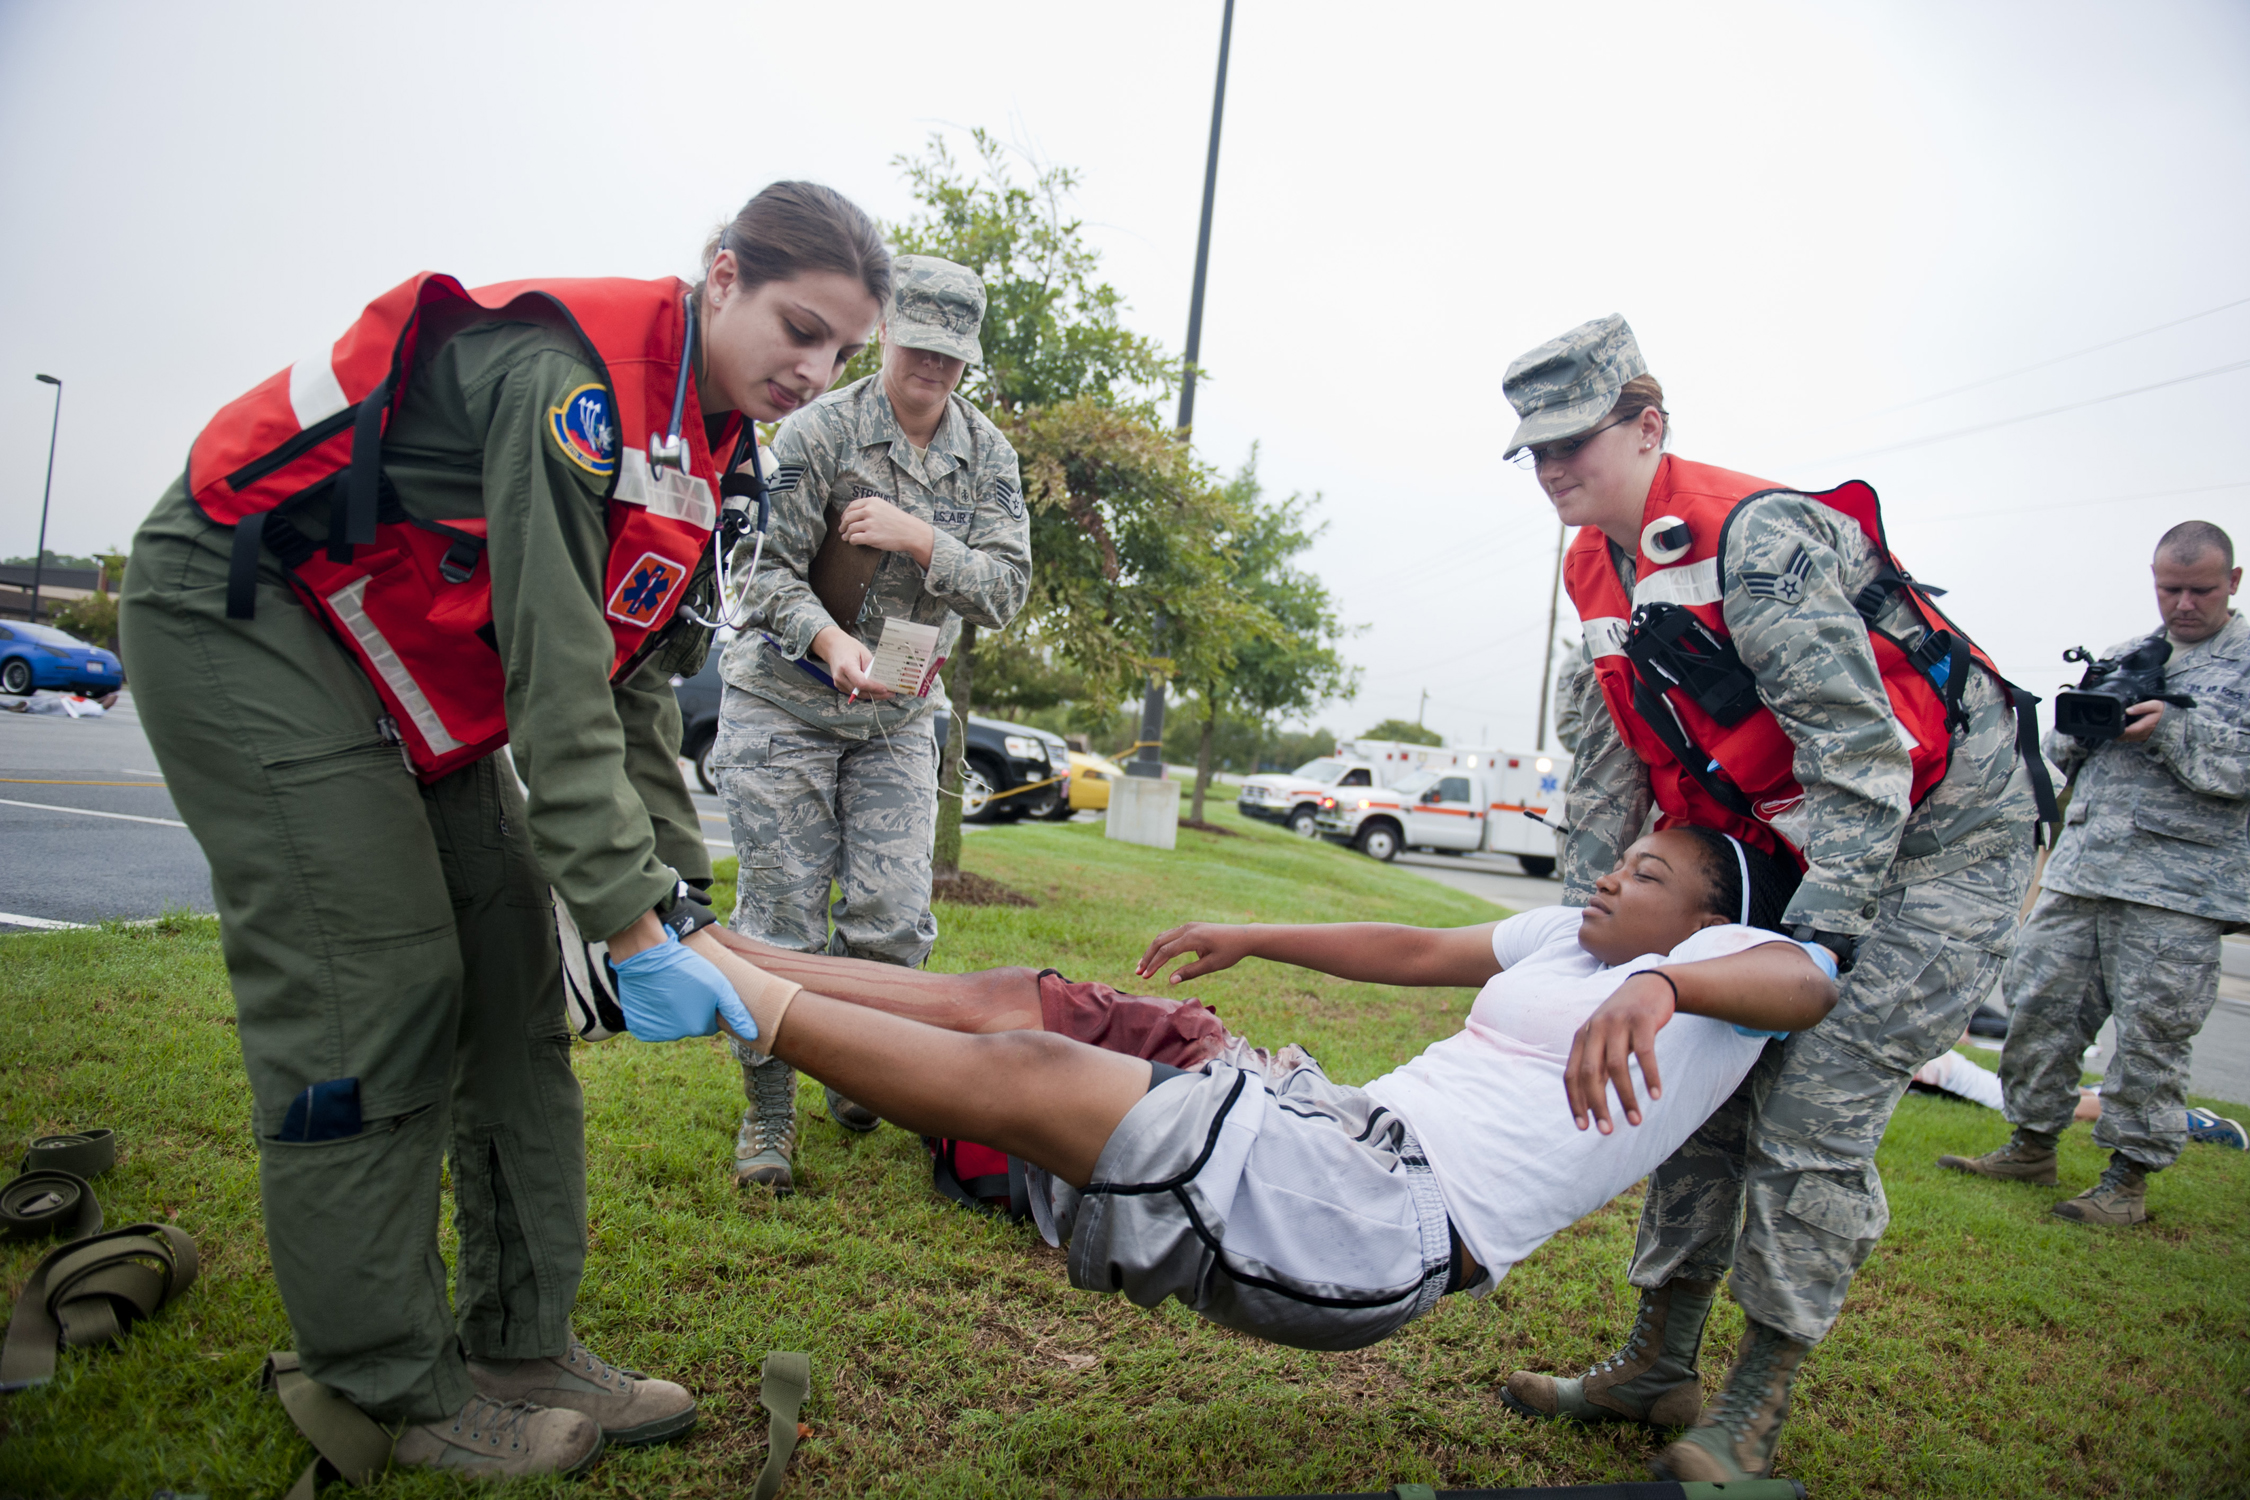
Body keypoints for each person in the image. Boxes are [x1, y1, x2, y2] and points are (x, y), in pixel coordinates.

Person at [117, 184, 888, 1480]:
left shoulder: (702, 452)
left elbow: (631, 674)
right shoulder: (569, 382)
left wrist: (672, 895)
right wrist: (626, 920)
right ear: (719, 276)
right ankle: (381, 1381)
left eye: (839, 354)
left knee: (510, 987)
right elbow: (551, 681)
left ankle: (521, 1339)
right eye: (798, 328)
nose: (811, 373)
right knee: (376, 984)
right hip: (246, 606)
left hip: (390, 649)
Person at [1498, 315, 2049, 1483]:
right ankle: (1659, 1361)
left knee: (1814, 1100)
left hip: (1945, 841)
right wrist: (1588, 929)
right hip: (1794, 837)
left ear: (1649, 425)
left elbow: (1863, 757)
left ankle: (1756, 1399)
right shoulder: (1594, 561)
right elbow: (1603, 763)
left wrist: (1821, 948)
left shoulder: (1758, 538)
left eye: (1573, 443)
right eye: (1533, 452)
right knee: (1701, 1076)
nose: (1552, 470)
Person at [676, 826, 1836, 1355]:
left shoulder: (1729, 982)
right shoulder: (1571, 943)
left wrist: (1668, 991)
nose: (1608, 874)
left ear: (1707, 917)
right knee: (1027, 1000)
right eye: (1620, 855)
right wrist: (1257, 934)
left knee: (1028, 1077)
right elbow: (1415, 949)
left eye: (1644, 873)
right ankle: (728, 947)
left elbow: (1810, 982)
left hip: (1386, 1222)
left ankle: (709, 981)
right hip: (1321, 1117)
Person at [711, 254, 1032, 1193]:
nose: (933, 368)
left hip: (897, 716)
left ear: (969, 359)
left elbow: (1007, 589)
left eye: (952, 354)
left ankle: (861, 1067)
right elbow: (758, 573)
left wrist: (920, 537)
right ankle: (768, 1109)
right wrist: (823, 639)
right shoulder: (820, 430)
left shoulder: (989, 457)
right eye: (919, 345)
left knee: (893, 920)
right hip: (786, 705)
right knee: (780, 922)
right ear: (888, 333)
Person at [1940, 521, 2249, 1222]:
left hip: (2179, 891)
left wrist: (2169, 727)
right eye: (2169, 588)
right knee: (2038, 1009)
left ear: (2232, 582)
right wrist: (2078, 725)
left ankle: (2128, 1181)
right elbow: (2061, 750)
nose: (2183, 604)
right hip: (2083, 874)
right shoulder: (2124, 654)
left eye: (2200, 589)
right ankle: (2030, 1143)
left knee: (2152, 1037)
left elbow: (2240, 769)